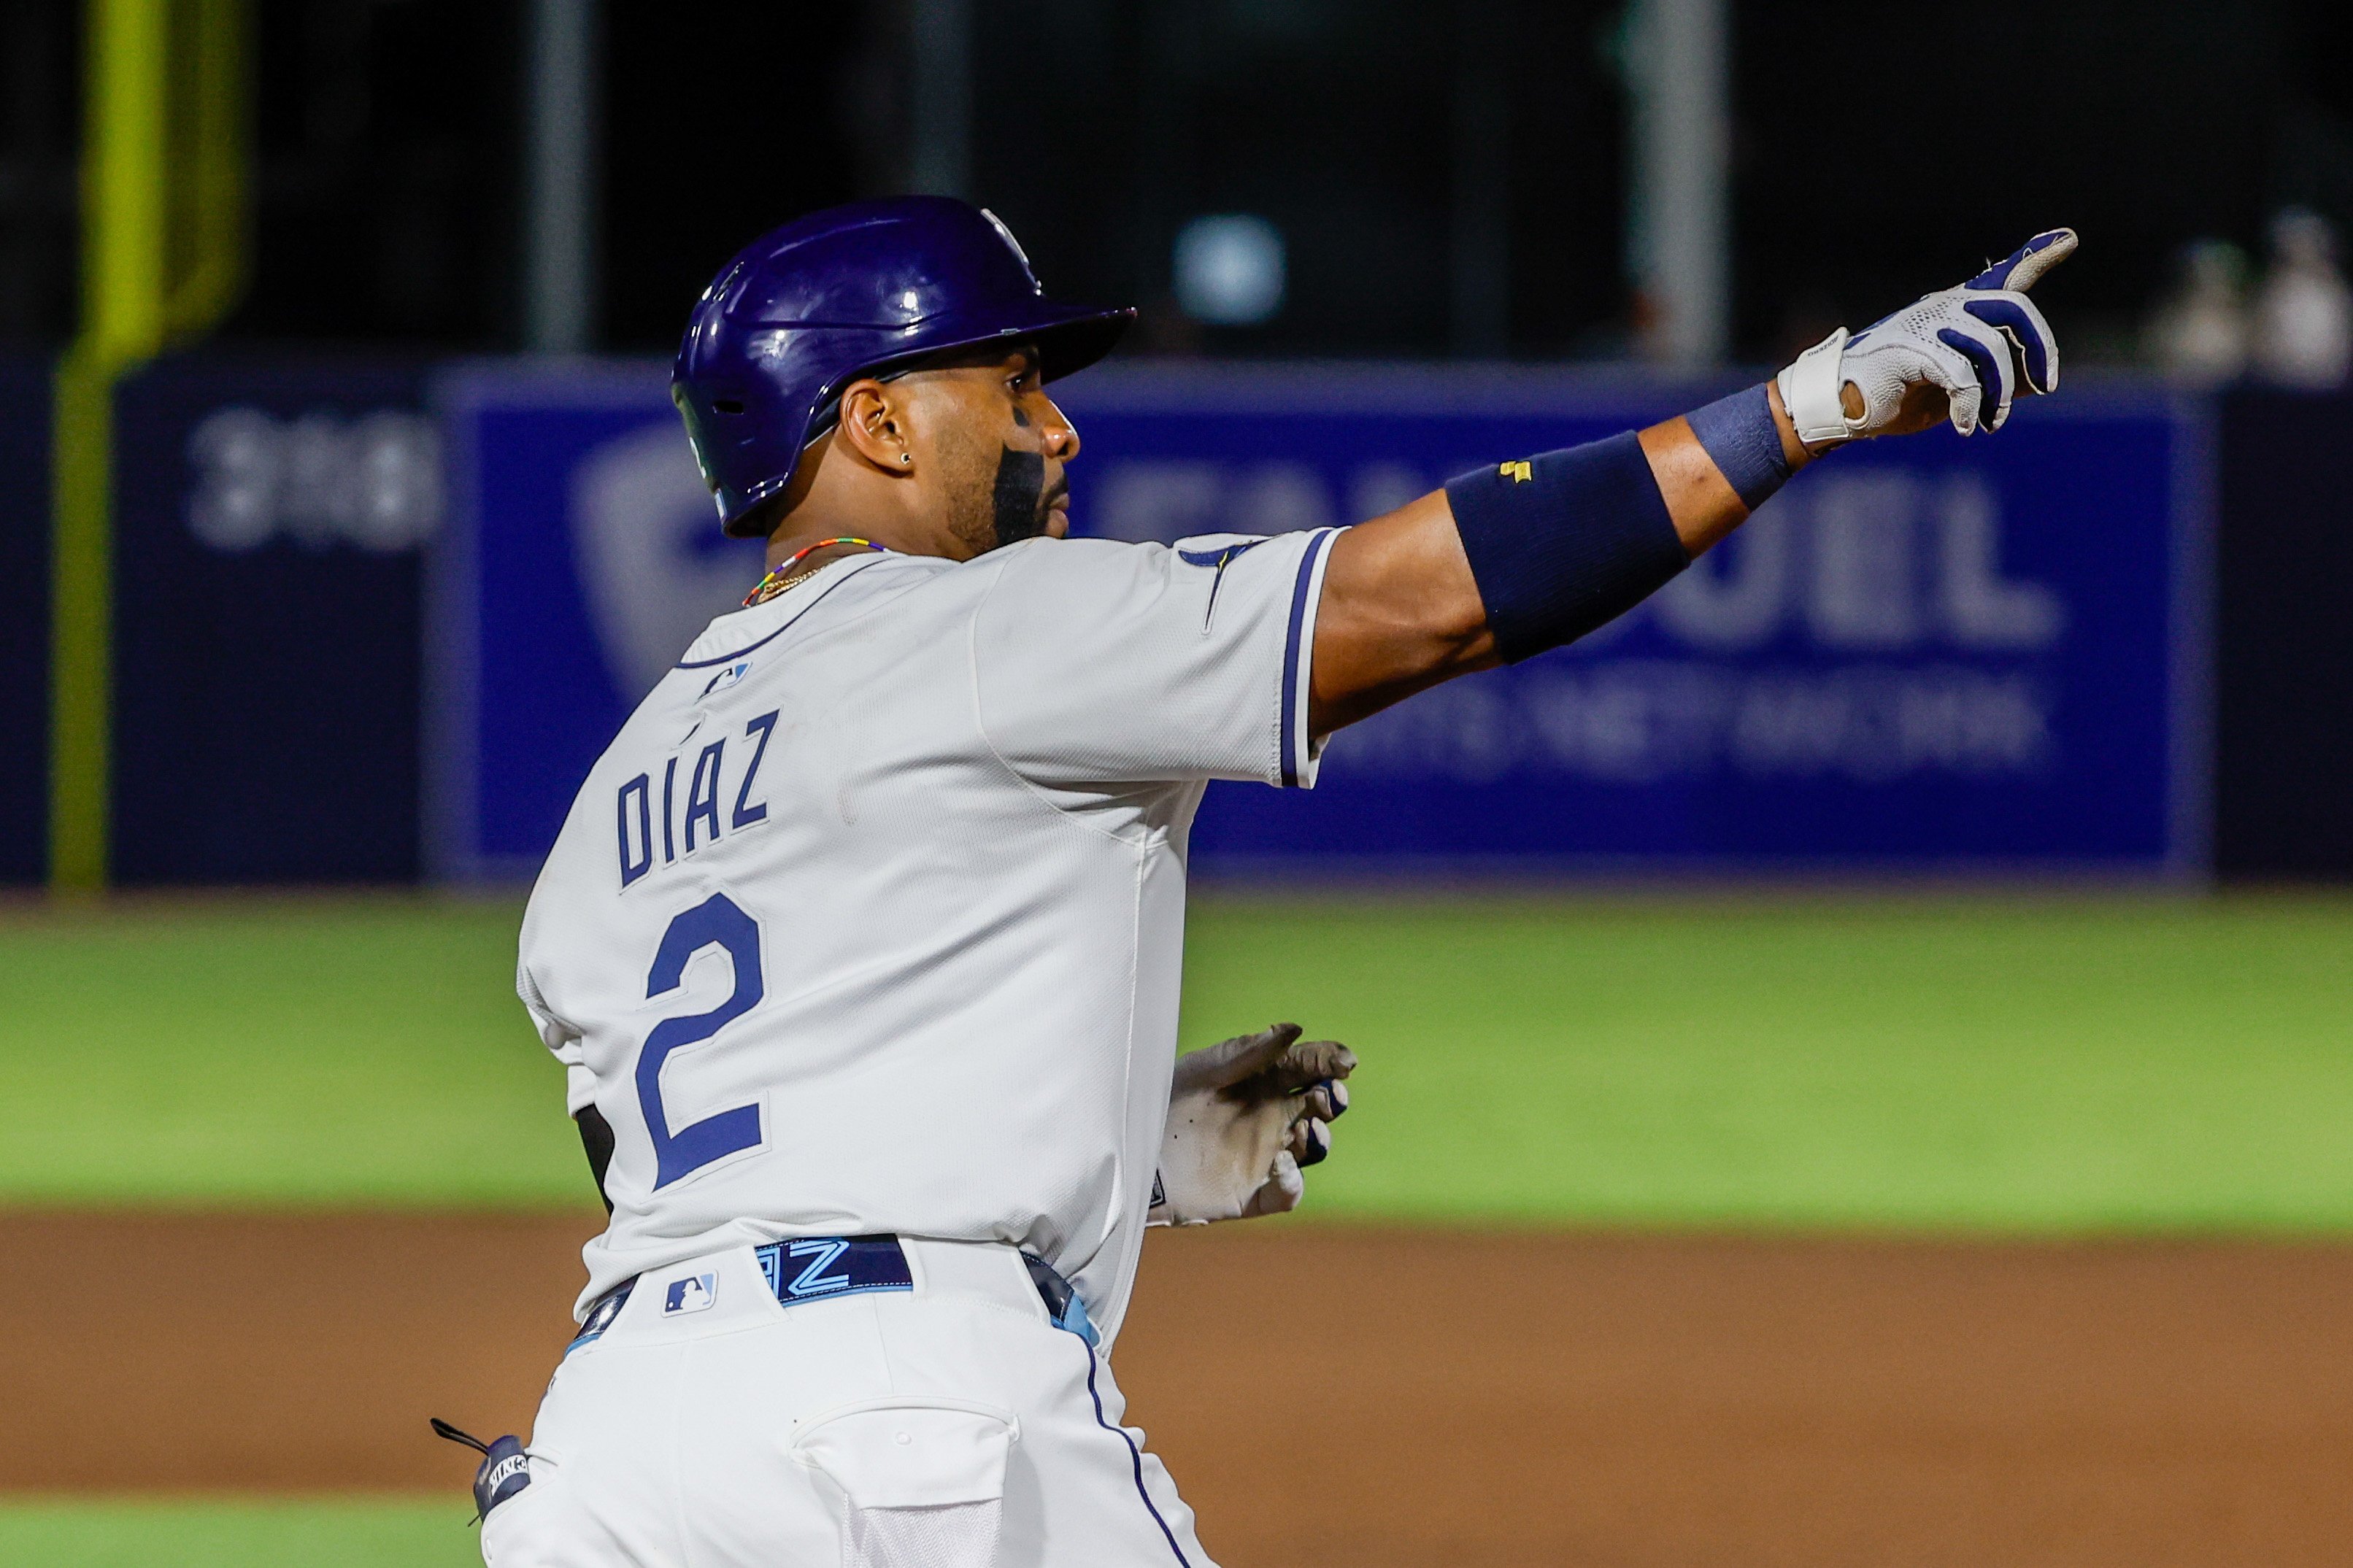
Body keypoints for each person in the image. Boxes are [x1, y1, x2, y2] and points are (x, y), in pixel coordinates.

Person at [469, 198, 2072, 1567]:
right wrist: (1808, 406)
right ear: (877, 421)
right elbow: (1432, 593)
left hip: (614, 1458)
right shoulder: (987, 625)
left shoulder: (612, 801)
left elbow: (706, 1174)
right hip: (909, 1419)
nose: (1057, 426)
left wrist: (1113, 1138)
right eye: (1012, 382)